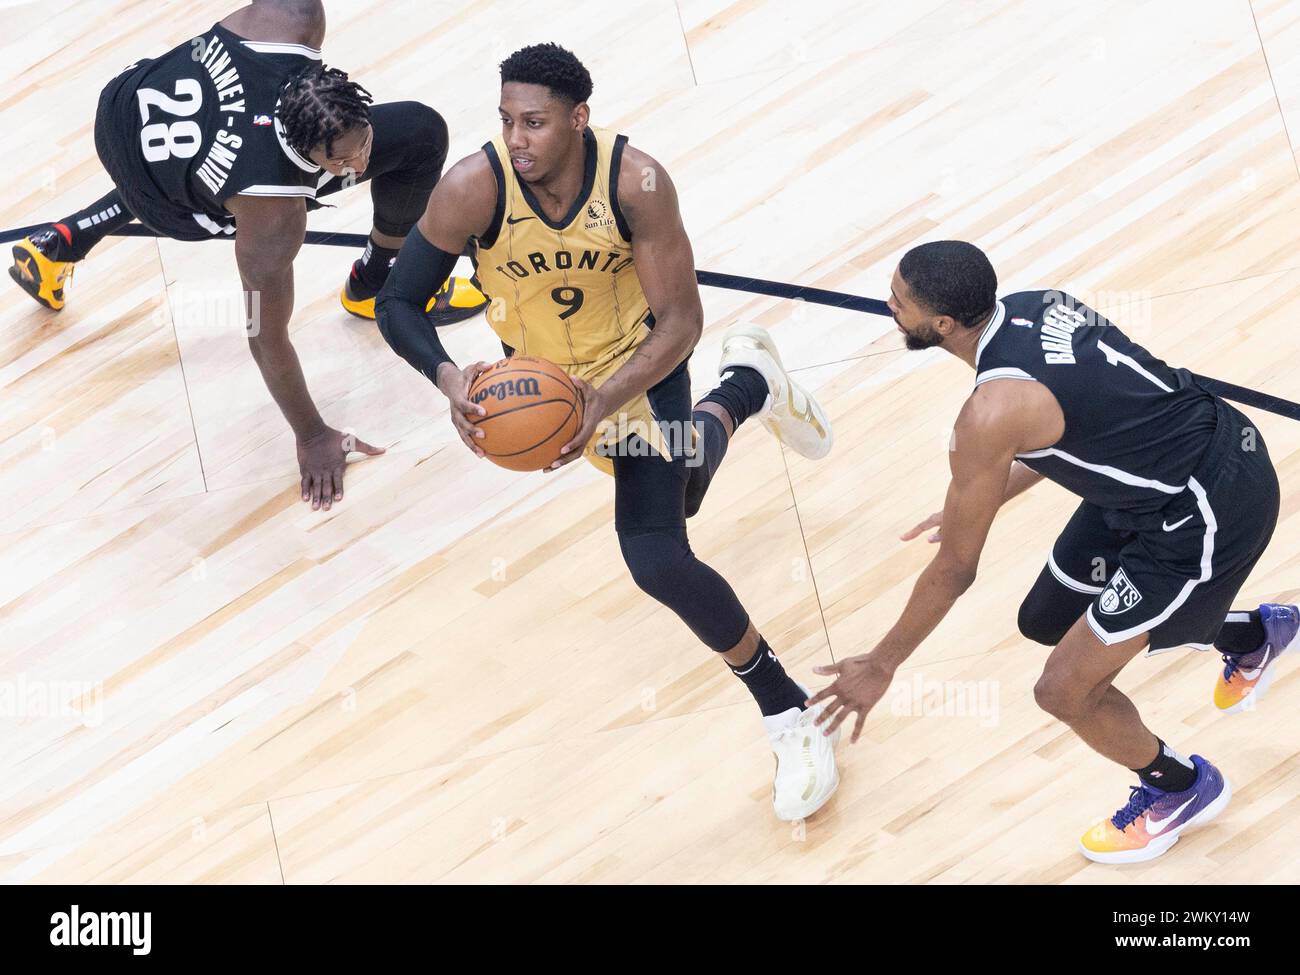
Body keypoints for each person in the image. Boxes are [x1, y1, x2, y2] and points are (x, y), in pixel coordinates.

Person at [376, 43, 841, 820]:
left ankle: (786, 711)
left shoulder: (637, 184)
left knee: (657, 554)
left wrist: (602, 400)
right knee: (684, 492)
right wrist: (451, 379)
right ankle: (752, 384)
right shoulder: (473, 187)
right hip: (548, 384)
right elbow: (398, 302)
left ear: (578, 119)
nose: (516, 139)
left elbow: (683, 320)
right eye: (506, 121)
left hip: (640, 369)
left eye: (534, 122)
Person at [812, 240, 1296, 863]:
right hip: (1171, 468)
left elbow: (956, 569)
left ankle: (1180, 788)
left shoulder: (990, 413)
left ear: (942, 325)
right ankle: (1250, 636)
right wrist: (981, 497)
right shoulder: (1038, 304)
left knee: (1064, 690)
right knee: (1046, 620)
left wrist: (881, 664)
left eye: (898, 301)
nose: (889, 306)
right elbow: (1084, 419)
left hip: (1202, 512)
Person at [8, 0, 486, 511]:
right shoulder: (273, 216)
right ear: (303, 157)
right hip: (149, 174)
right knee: (190, 187)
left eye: (363, 142)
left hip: (135, 101)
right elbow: (265, 334)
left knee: (420, 130)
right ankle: (369, 290)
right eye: (342, 161)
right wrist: (311, 434)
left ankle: (64, 238)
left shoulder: (293, 18)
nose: (361, 162)